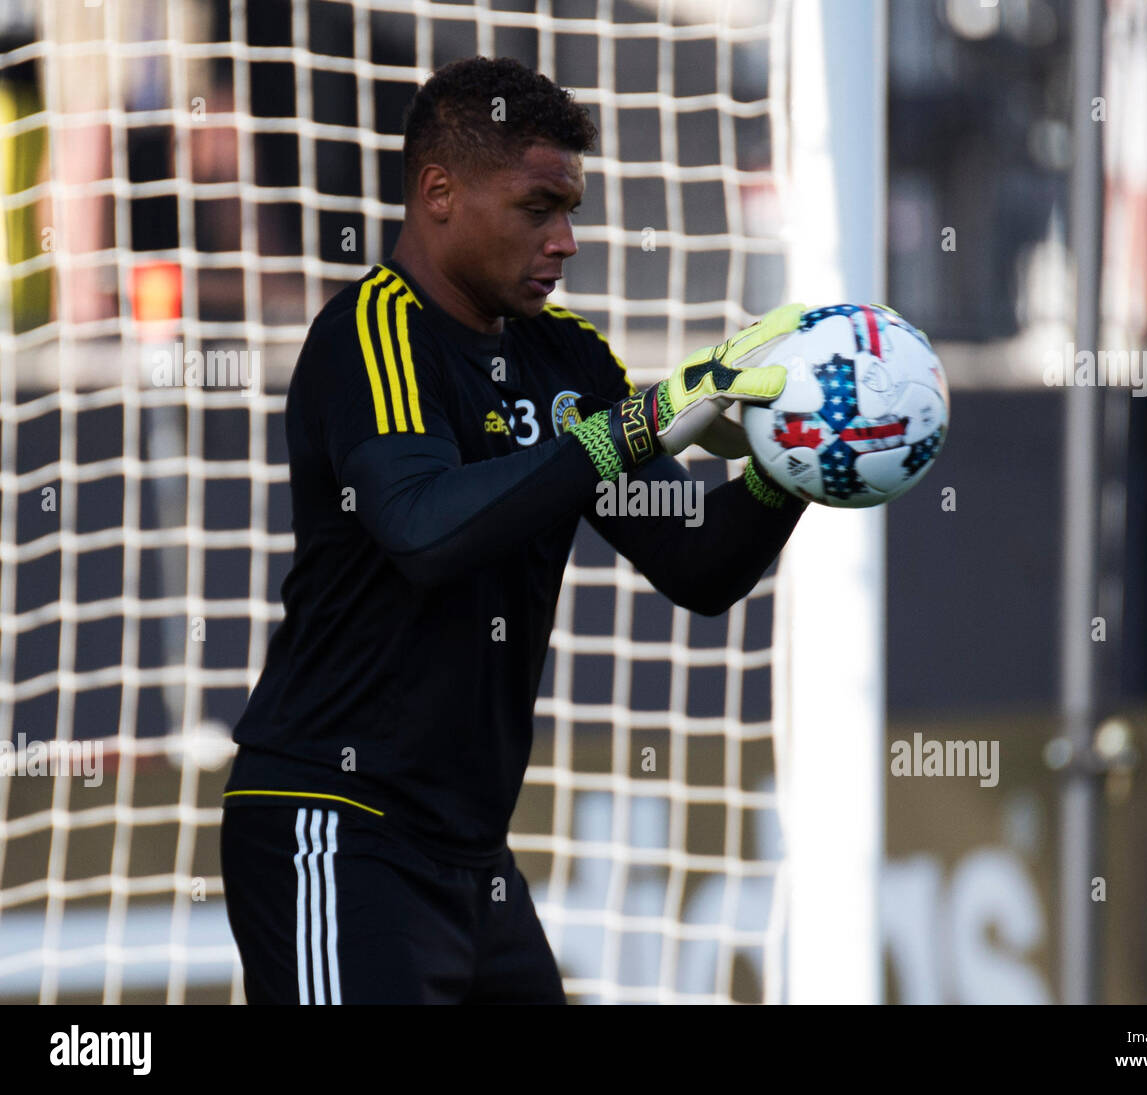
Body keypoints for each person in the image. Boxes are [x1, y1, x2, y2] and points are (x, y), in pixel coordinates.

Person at [220, 55, 806, 1005]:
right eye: (539, 208)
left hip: (473, 859)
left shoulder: (567, 357)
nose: (566, 240)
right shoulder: (371, 334)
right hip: (334, 824)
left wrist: (794, 465)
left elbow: (697, 560)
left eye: (572, 208)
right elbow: (424, 529)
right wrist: (640, 423)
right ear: (439, 193)